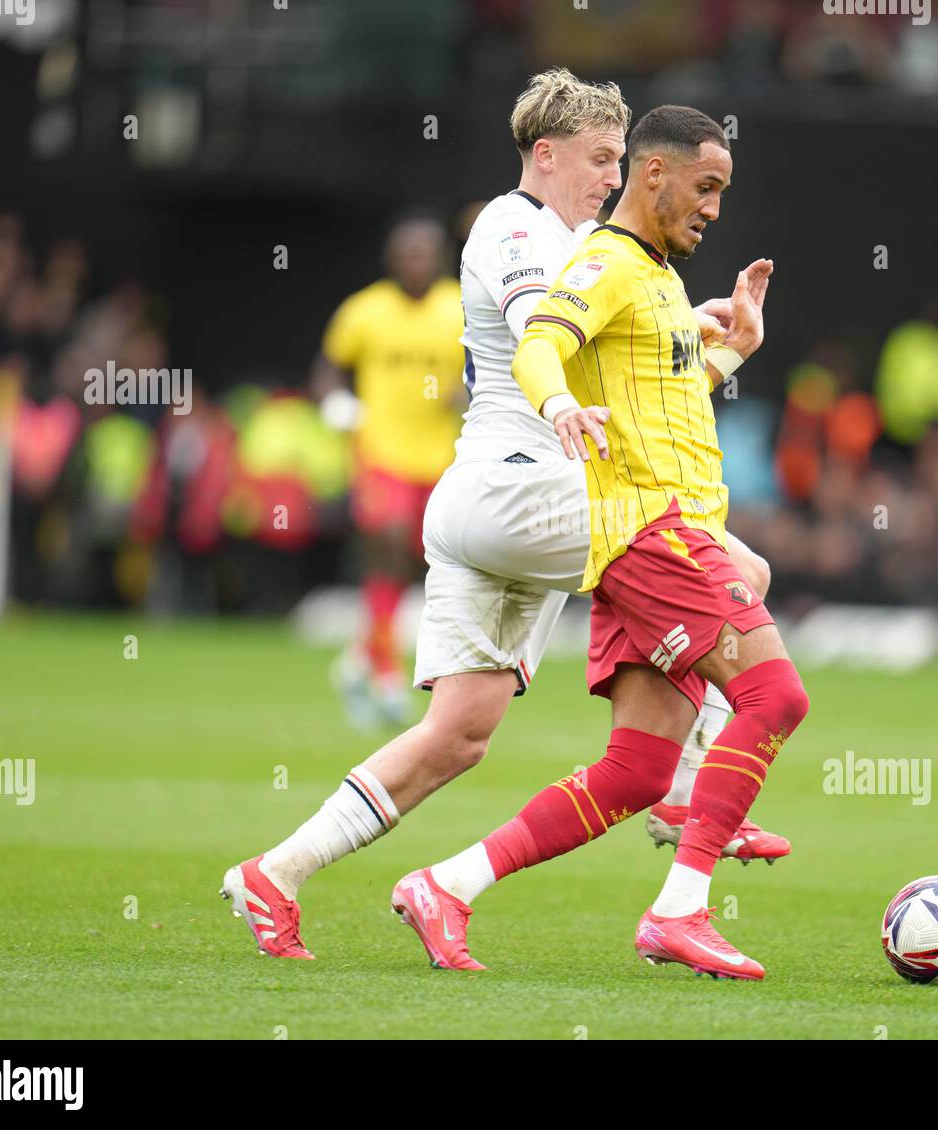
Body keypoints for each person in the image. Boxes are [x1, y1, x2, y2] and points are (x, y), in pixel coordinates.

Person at [222, 72, 785, 962]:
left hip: (509, 505)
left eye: (621, 159)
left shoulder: (604, 248)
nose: (614, 175)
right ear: (546, 154)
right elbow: (545, 331)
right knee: (734, 567)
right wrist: (602, 369)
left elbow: (643, 387)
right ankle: (687, 798)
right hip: (522, 486)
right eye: (602, 158)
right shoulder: (515, 227)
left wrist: (692, 344)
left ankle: (276, 873)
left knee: (458, 736)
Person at [395, 105, 808, 981]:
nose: (715, 209)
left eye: (724, 193)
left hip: (653, 535)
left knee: (637, 771)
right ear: (652, 175)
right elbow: (540, 343)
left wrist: (735, 351)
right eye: (706, 187)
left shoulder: (655, 278)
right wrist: (555, 405)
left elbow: (672, 399)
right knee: (774, 696)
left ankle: (446, 885)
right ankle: (680, 908)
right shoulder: (607, 263)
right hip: (655, 535)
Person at [314, 216, 466, 726]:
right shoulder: (366, 311)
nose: (416, 262)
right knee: (390, 539)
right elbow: (329, 365)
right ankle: (387, 671)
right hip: (381, 452)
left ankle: (362, 655)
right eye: (408, 253)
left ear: (438, 257)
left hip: (440, 456)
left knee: (425, 560)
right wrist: (336, 400)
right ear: (392, 259)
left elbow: (485, 364)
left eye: (425, 253)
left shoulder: (458, 308)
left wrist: (466, 390)